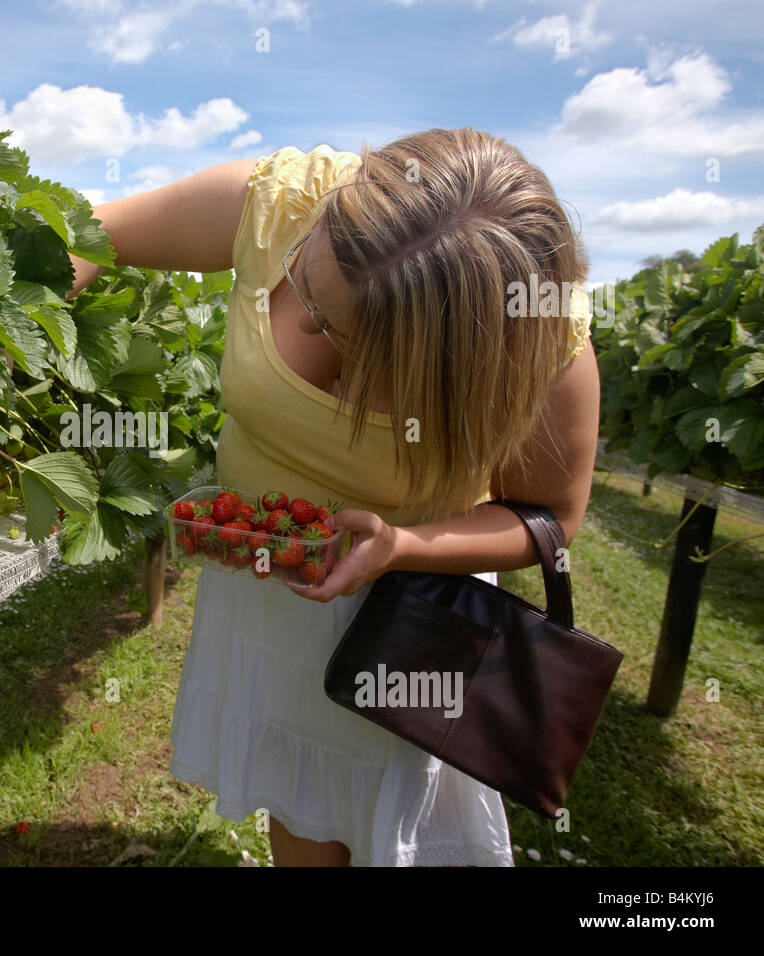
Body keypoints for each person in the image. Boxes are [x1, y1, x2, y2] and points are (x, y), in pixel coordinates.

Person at [66, 128, 600, 866]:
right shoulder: (284, 202)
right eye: (307, 294)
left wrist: (402, 547)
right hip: (267, 594)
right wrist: (21, 316)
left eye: (338, 330)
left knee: (395, 820)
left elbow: (549, 517)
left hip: (410, 618)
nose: (308, 323)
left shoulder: (538, 329)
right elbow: (91, 233)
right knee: (302, 803)